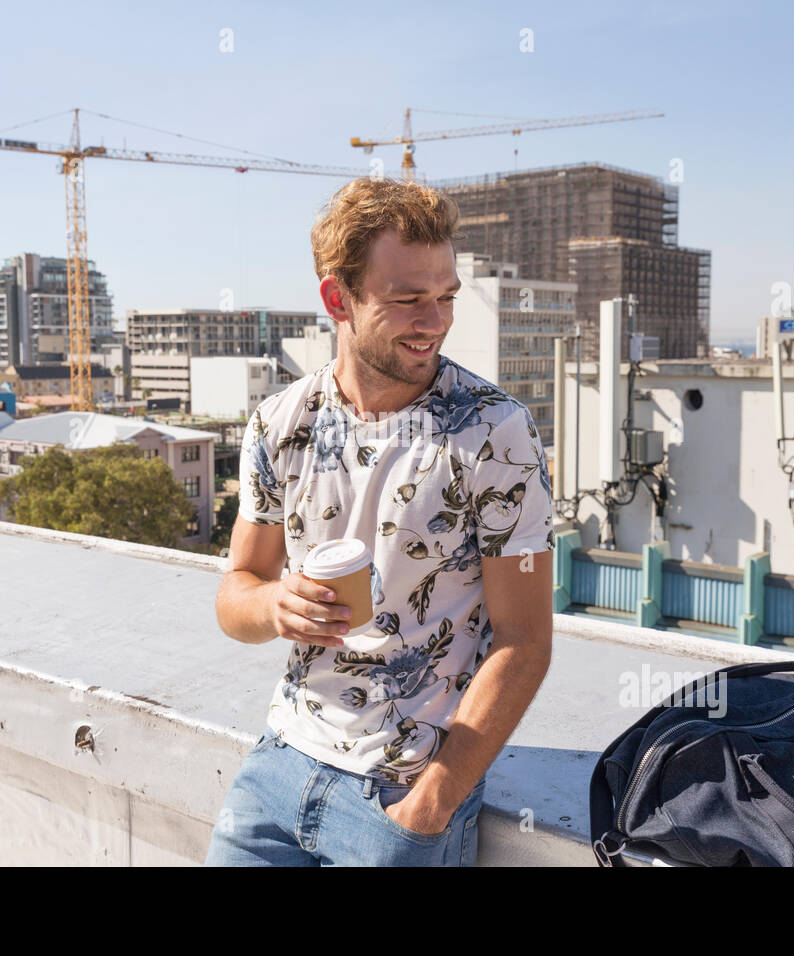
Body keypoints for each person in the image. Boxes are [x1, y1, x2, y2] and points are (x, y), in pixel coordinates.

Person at [206, 176, 555, 866]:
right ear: (338, 298)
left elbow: (525, 639)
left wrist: (431, 803)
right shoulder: (279, 424)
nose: (435, 320)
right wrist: (276, 604)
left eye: (446, 296)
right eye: (408, 301)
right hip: (278, 770)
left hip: (400, 801)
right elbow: (236, 591)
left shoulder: (494, 431)